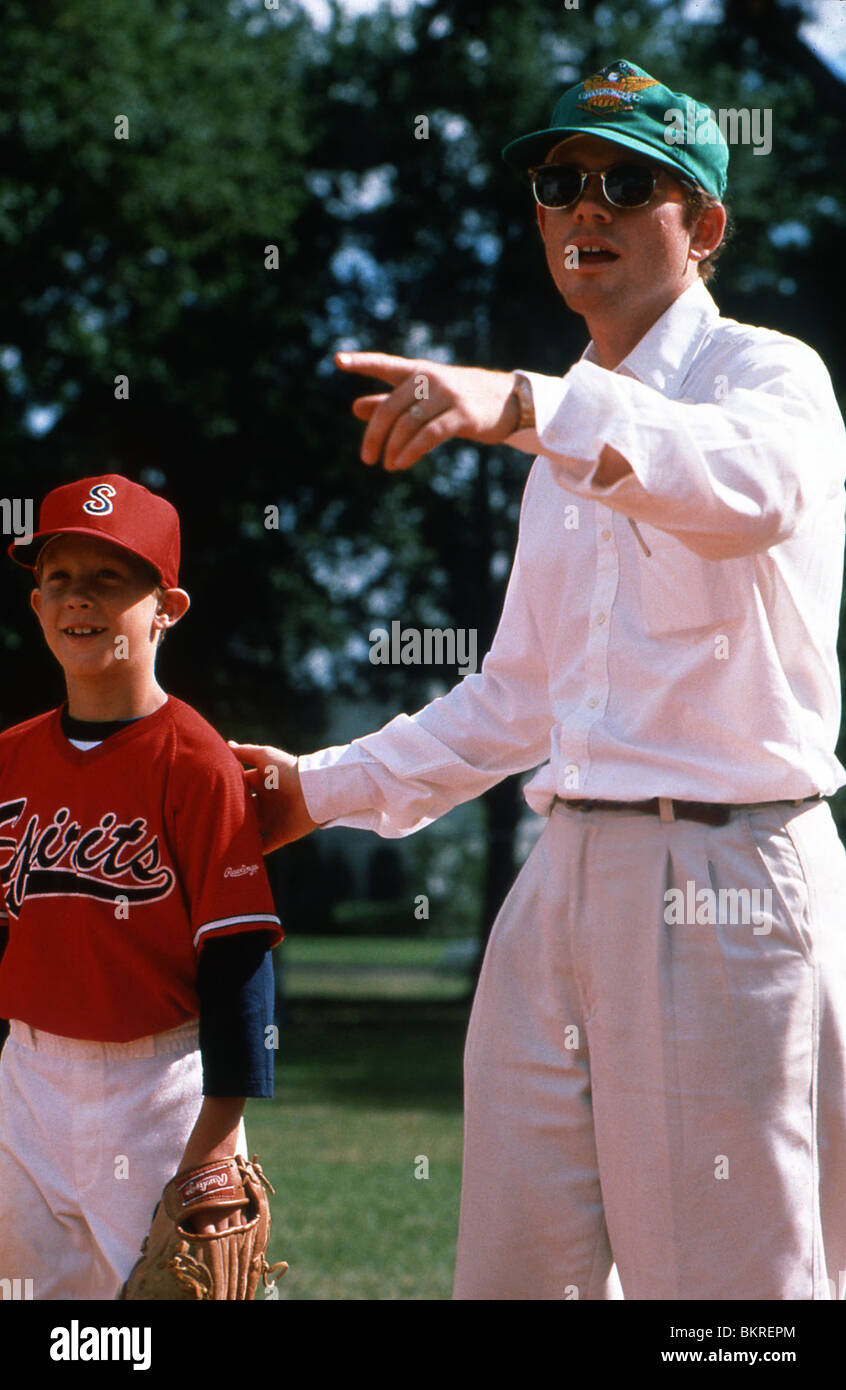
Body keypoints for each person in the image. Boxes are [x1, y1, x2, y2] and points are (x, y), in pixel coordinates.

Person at [231, 59, 846, 1300]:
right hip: (559, 878)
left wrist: (522, 401)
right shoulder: (556, 444)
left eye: (628, 184)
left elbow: (747, 491)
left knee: (730, 1299)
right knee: (517, 1276)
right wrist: (320, 790)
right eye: (559, 182)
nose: (585, 210)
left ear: (705, 225)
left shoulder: (769, 379)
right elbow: (515, 698)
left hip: (726, 880)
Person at [0, 474, 283, 1300]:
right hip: (28, 1076)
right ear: (36, 606)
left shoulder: (195, 760)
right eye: (58, 578)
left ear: (167, 608)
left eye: (108, 579)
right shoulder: (10, 758)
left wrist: (217, 1137)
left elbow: (238, 959)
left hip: (156, 1088)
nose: (77, 599)